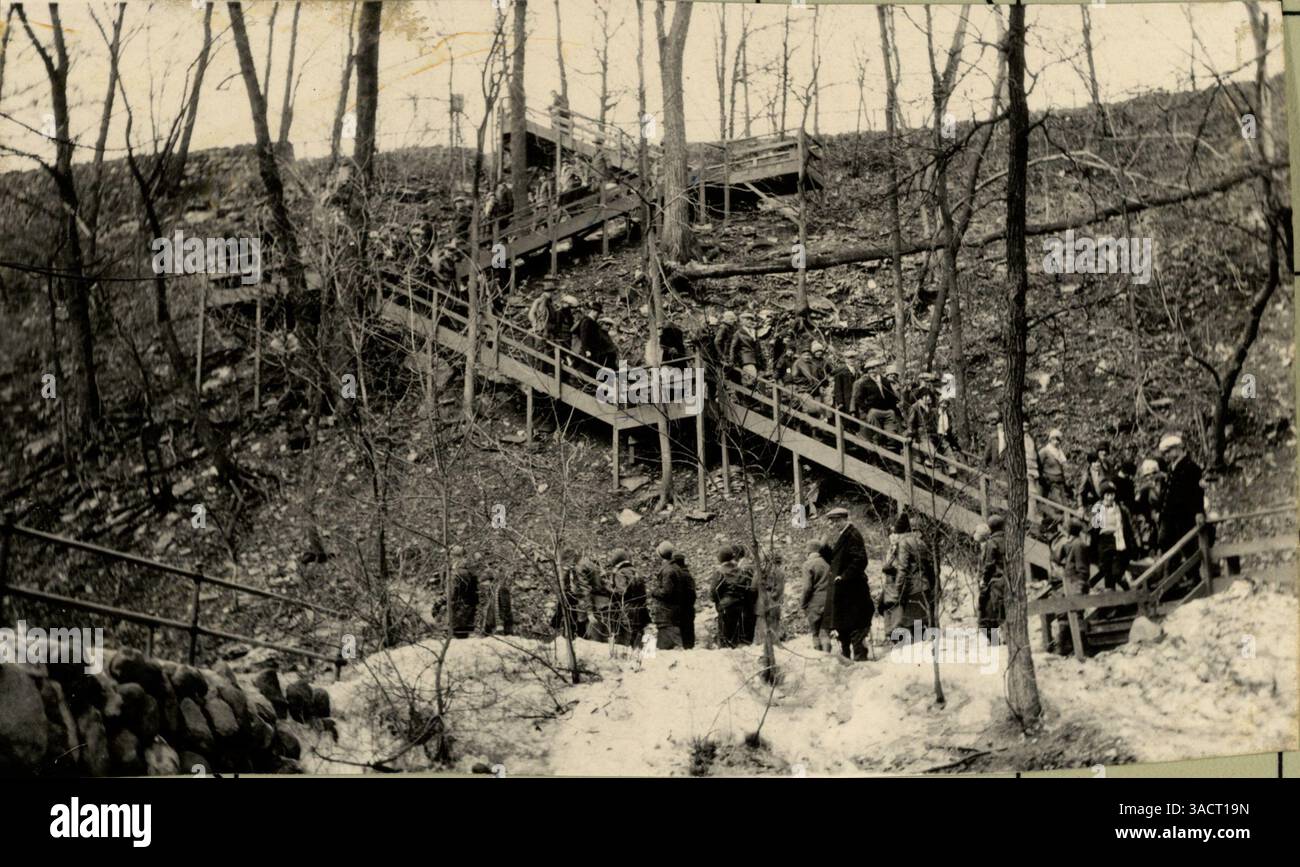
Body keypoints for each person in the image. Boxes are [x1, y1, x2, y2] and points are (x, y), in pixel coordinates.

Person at [824, 507, 873, 661]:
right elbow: (840, 559)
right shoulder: (844, 535)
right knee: (846, 629)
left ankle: (861, 666)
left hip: (854, 593)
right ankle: (851, 663)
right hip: (847, 595)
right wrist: (825, 550)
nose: (834, 525)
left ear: (844, 519)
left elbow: (860, 560)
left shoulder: (852, 535)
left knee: (856, 630)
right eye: (832, 522)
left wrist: (843, 577)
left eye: (836, 521)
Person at [879, 513, 937, 635]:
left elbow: (903, 568)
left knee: (913, 628)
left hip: (913, 589)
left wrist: (899, 589)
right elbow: (929, 566)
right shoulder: (920, 542)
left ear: (900, 533)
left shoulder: (904, 543)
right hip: (924, 586)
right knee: (923, 625)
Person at [1157, 434, 1204, 554]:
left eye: (1168, 451)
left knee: (1188, 549)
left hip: (1185, 516)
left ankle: (1192, 572)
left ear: (1178, 448)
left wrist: (1199, 511)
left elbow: (1197, 492)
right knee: (1166, 545)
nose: (1166, 455)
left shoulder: (1191, 468)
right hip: (1170, 517)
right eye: (1164, 453)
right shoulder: (1170, 468)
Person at [1092, 481, 1135, 591]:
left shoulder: (1120, 509)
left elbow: (1127, 527)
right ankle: (1111, 599)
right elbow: (1095, 530)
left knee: (1117, 571)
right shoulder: (1098, 508)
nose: (1110, 497)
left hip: (1118, 541)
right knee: (1107, 572)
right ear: (1103, 496)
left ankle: (1129, 591)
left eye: (1112, 494)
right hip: (1104, 541)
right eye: (1107, 495)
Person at [710, 547, 753, 647]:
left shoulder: (719, 572)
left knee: (725, 637)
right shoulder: (740, 570)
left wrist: (719, 602)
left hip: (725, 607)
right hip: (740, 606)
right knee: (736, 636)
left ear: (720, 558)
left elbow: (713, 591)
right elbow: (746, 588)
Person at [649, 542, 687, 649]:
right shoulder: (676, 568)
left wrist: (653, 592)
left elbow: (666, 592)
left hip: (667, 614)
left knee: (669, 646)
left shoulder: (667, 570)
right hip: (674, 613)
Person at [607, 549, 647, 647]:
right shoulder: (636, 571)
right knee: (638, 640)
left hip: (628, 611)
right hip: (641, 610)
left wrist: (607, 589)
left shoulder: (620, 573)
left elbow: (621, 593)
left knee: (625, 642)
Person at [851, 362, 902, 438]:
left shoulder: (886, 381)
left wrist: (892, 409)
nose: (872, 370)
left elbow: (893, 397)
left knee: (892, 435)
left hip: (888, 411)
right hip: (874, 411)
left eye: (874, 368)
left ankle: (891, 442)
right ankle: (879, 443)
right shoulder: (864, 383)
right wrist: (868, 409)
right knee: (877, 434)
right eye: (870, 369)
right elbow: (858, 399)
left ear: (879, 368)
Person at [800, 540, 834, 652]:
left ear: (809, 551)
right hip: (829, 602)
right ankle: (828, 658)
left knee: (815, 634)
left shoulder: (807, 565)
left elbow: (807, 588)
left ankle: (819, 660)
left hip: (815, 603)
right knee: (825, 632)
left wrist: (803, 603)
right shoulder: (827, 564)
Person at [978, 515, 1007, 636]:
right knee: (1004, 613)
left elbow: (989, 565)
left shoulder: (991, 543)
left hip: (995, 583)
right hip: (1009, 581)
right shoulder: (1010, 540)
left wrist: (984, 581)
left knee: (988, 617)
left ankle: (996, 645)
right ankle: (1007, 641)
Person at [575, 551, 613, 642]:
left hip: (595, 607)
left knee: (594, 641)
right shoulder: (595, 564)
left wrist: (589, 612)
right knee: (604, 640)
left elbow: (585, 591)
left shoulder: (581, 566)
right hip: (605, 605)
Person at [752, 551, 787, 647]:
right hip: (774, 605)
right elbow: (780, 590)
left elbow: (753, 587)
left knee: (761, 635)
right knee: (774, 633)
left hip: (761, 604)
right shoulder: (780, 572)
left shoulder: (760, 570)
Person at [447, 546, 478, 639]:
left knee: (459, 635)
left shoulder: (458, 572)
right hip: (467, 607)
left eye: (452, 556)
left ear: (456, 557)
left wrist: (446, 601)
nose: (450, 559)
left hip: (459, 608)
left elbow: (453, 592)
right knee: (463, 634)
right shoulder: (469, 570)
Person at [1037, 429, 1072, 507]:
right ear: (1050, 439)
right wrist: (1043, 477)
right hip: (1051, 481)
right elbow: (1038, 464)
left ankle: (1067, 518)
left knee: (1065, 503)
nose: (1057, 442)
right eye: (1054, 439)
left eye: (1058, 440)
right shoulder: (1045, 451)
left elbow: (1062, 466)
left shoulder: (1059, 452)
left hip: (1060, 480)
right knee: (1057, 503)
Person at [729, 311, 765, 385]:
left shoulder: (754, 332)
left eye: (751, 319)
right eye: (747, 319)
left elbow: (758, 347)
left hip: (756, 360)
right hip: (746, 359)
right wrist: (731, 360)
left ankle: (749, 395)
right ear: (742, 321)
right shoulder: (738, 333)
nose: (750, 321)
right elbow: (733, 347)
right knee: (751, 380)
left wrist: (762, 360)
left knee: (755, 382)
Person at [480, 566, 514, 636]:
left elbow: (505, 607)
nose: (483, 585)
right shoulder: (491, 591)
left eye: (484, 582)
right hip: (493, 626)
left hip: (501, 626)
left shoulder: (501, 589)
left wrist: (502, 623)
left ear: (489, 580)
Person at [673, 551, 697, 649]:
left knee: (682, 639)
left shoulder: (679, 575)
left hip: (681, 610)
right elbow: (693, 594)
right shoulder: (688, 575)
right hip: (689, 609)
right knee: (689, 638)